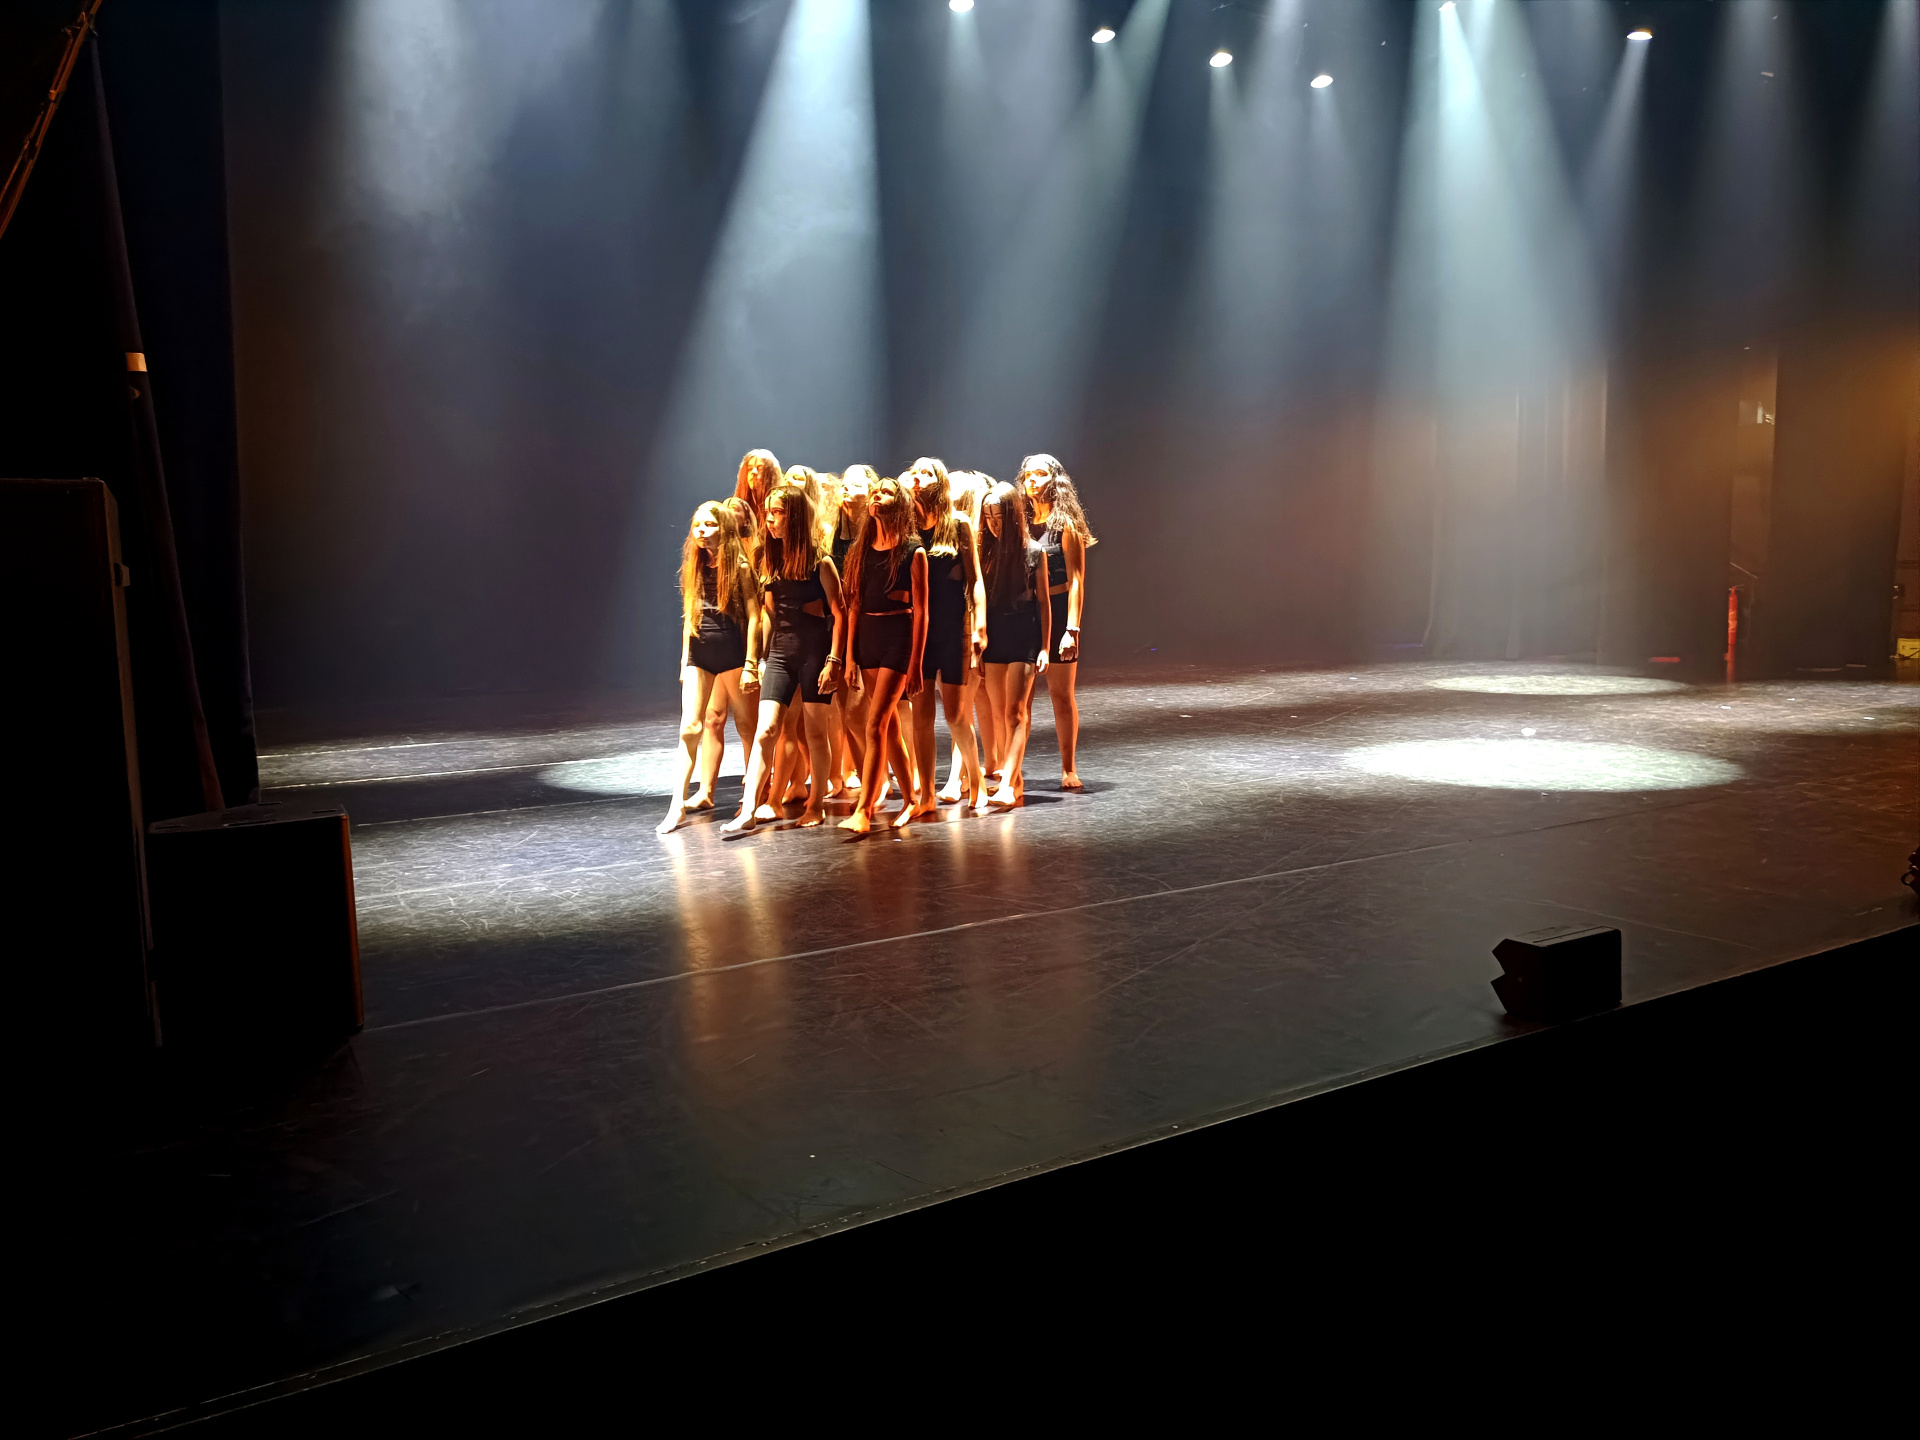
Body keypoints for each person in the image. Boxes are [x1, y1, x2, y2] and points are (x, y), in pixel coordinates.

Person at [723, 481, 845, 833]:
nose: (771, 520)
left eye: (778, 513)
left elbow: (840, 612)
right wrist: (755, 660)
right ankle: (750, 807)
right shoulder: (769, 558)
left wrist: (834, 661)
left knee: (815, 732)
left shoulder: (820, 562)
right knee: (766, 731)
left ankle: (817, 803)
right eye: (769, 513)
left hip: (815, 653)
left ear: (794, 518)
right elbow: (769, 613)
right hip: (780, 653)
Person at [659, 501, 762, 835]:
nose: (701, 531)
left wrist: (750, 662)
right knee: (690, 727)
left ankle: (752, 801)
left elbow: (755, 615)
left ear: (724, 528)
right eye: (697, 525)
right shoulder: (693, 565)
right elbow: (690, 611)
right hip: (700, 653)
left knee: (747, 727)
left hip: (733, 652)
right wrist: (684, 658)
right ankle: (677, 806)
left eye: (709, 525)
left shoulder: (741, 566)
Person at [838, 476, 928, 834]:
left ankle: (865, 810)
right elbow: (854, 604)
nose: (877, 495)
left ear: (900, 503)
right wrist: (848, 657)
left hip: (897, 636)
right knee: (887, 727)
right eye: (875, 491)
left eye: (886, 492)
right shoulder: (860, 548)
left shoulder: (912, 550)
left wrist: (916, 663)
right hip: (868, 638)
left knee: (874, 723)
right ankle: (911, 800)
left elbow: (922, 610)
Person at [902, 458, 987, 814]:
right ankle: (925, 795)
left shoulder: (959, 524)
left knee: (955, 715)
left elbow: (975, 579)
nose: (917, 477)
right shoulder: (904, 528)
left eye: (925, 472)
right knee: (921, 715)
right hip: (917, 634)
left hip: (953, 631)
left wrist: (980, 623)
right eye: (914, 472)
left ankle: (976, 781)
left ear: (937, 480)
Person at [1019, 453, 1093, 790]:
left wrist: (1071, 630)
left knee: (1061, 695)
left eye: (1040, 474)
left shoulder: (1066, 525)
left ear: (1055, 480)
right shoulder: (1019, 522)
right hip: (1026, 612)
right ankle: (1011, 769)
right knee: (1020, 698)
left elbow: (1077, 579)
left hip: (1060, 608)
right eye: (1028, 474)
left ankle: (1068, 768)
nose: (1032, 480)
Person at [978, 481, 1049, 810]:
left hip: (1023, 635)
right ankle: (1014, 777)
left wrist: (1045, 647)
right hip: (994, 638)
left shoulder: (1033, 552)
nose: (993, 523)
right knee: (997, 712)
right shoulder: (985, 552)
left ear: (1012, 516)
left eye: (998, 516)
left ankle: (1008, 780)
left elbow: (1044, 605)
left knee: (1015, 712)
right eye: (987, 516)